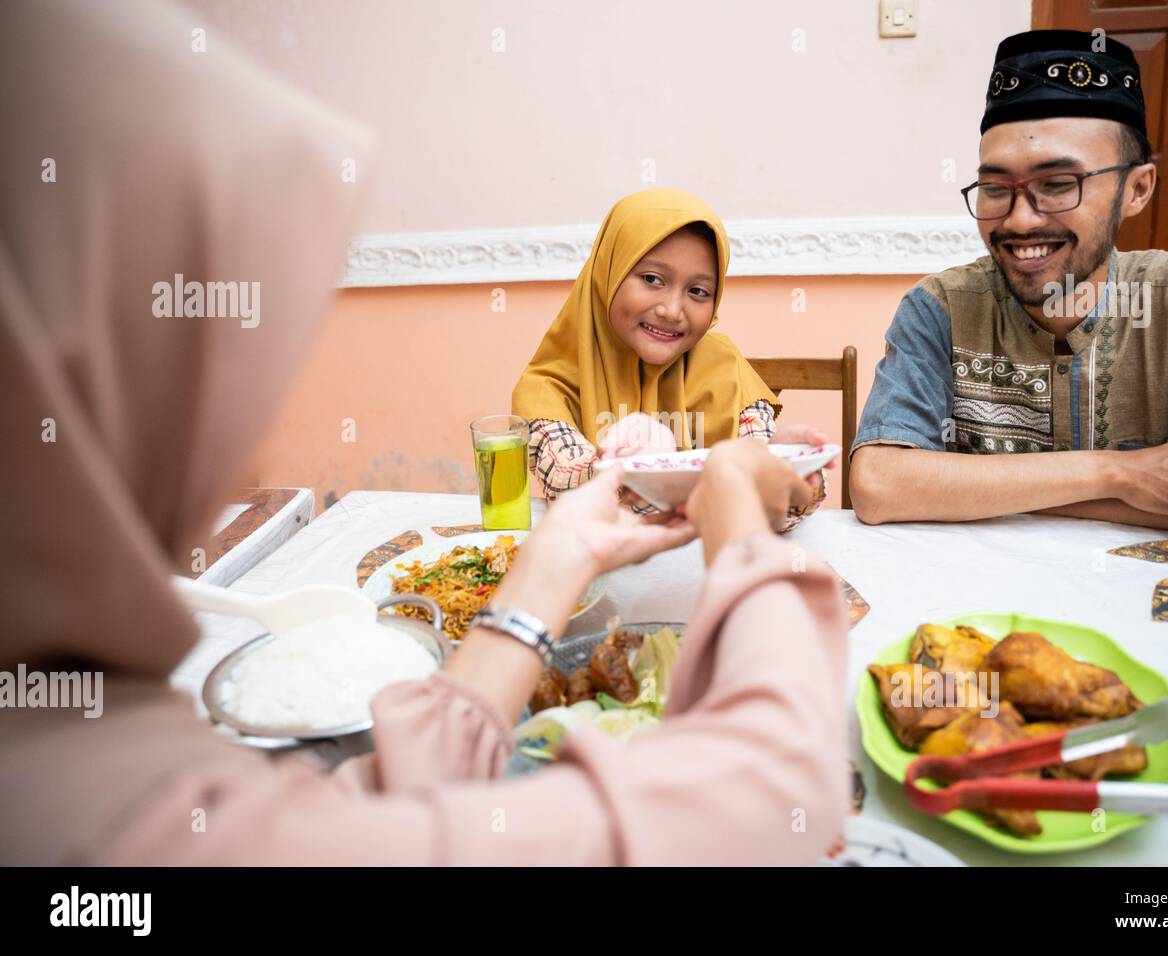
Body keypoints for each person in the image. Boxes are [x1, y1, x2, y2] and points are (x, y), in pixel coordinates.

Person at [0, 0, 847, 866]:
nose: (245, 451)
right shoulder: (137, 832)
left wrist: (556, 560)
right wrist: (737, 496)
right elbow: (774, 796)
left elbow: (395, 788)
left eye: (697, 289)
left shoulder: (69, 758)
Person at [850, 30, 1168, 545]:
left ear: (1137, 189)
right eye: (996, 189)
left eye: (1058, 184)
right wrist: (1126, 476)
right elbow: (880, 483)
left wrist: (983, 491)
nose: (1019, 222)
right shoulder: (941, 308)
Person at [512, 188, 826, 528]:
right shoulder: (547, 387)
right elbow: (566, 490)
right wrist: (633, 470)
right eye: (651, 279)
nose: (672, 310)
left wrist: (785, 466)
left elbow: (771, 517)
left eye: (697, 292)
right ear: (607, 274)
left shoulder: (726, 369)